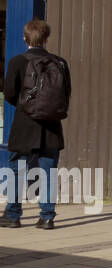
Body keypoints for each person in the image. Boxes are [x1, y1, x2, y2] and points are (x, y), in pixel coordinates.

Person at [2, 20, 71, 229]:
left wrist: (26, 107)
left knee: (17, 170)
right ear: (46, 38)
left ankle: (13, 215)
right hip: (51, 125)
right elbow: (65, 94)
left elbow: (10, 94)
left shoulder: (17, 61)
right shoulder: (60, 63)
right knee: (48, 171)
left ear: (25, 38)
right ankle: (47, 216)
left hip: (25, 123)